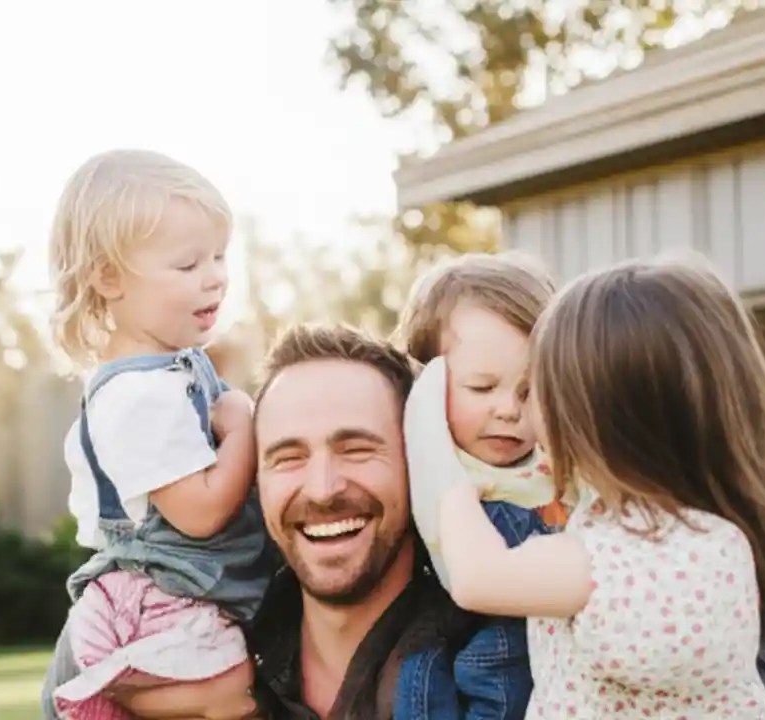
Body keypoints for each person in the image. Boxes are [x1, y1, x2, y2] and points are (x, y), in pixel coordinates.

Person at [83, 324, 529, 719]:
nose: (322, 488)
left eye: (356, 449)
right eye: (289, 457)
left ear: (420, 463)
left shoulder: (506, 664)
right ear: (255, 480)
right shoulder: (182, 657)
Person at [432, 253, 765, 717]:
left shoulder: (611, 557)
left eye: (535, 388)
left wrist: (447, 474)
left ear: (586, 416)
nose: (522, 409)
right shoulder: (716, 536)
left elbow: (476, 577)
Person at [43, 149, 275, 720]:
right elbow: (199, 513)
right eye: (188, 264)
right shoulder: (137, 396)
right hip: (161, 596)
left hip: (186, 587)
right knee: (237, 692)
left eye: (219, 257)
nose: (215, 276)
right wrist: (242, 426)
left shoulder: (176, 370)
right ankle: (93, 696)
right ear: (110, 277)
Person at [392, 253, 578, 718]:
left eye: (529, 390)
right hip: (463, 641)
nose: (509, 410)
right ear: (427, 387)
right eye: (481, 387)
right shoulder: (430, 459)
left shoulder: (558, 465)